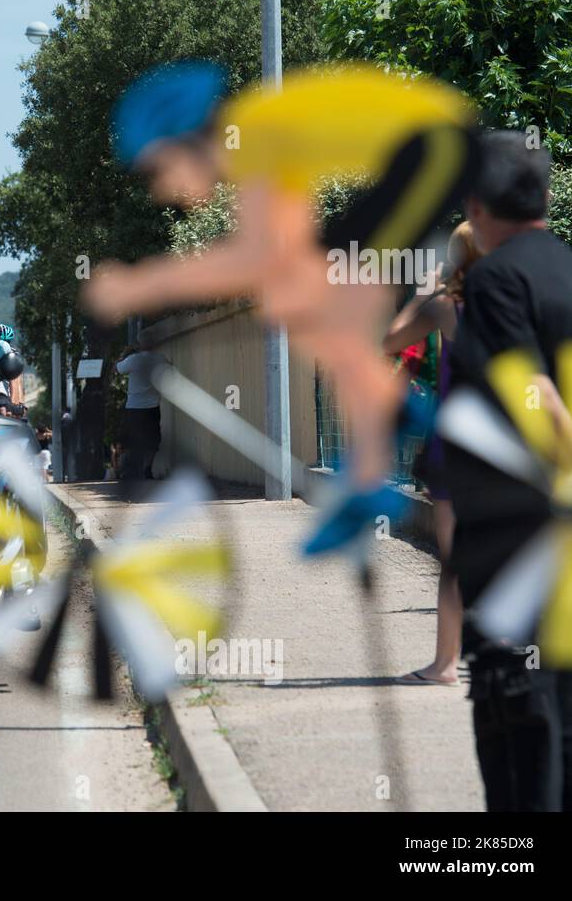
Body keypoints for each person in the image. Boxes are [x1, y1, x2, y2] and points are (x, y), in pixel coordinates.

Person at [83, 61, 479, 554]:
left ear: (183, 140)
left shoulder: (251, 135)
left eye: (156, 169)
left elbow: (254, 256)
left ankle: (378, 454)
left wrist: (139, 285)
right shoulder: (257, 135)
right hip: (431, 145)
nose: (161, 189)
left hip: (433, 147)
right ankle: (388, 423)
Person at [443, 131, 572, 811]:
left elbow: (537, 398)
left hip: (523, 556)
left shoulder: (498, 280)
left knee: (523, 754)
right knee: (570, 732)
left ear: (476, 203)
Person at [384, 221, 483, 686]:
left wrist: (422, 291)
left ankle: (445, 664)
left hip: (456, 441)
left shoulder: (448, 308)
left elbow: (391, 341)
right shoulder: (519, 305)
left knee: (454, 558)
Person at [115, 327, 169, 482]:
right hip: (152, 405)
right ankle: (147, 468)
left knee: (130, 439)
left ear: (139, 343)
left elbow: (117, 368)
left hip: (134, 406)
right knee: (152, 439)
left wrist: (125, 353)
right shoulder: (160, 358)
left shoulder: (133, 359)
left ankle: (130, 470)